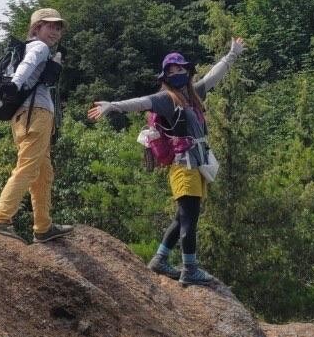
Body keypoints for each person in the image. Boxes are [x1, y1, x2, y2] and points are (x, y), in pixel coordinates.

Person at [87, 38, 246, 287]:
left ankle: (160, 259)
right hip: (184, 166)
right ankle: (190, 268)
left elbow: (214, 76)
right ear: (166, 77)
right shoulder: (166, 99)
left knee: (181, 217)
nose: (177, 74)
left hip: (198, 163)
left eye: (180, 69)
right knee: (189, 217)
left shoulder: (193, 95)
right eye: (171, 72)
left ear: (187, 72)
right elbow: (141, 102)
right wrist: (113, 106)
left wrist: (232, 55)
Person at [0, 8, 73, 244]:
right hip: (37, 115)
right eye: (50, 26)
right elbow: (28, 64)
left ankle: (43, 226)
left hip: (25, 116)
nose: (55, 31)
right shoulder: (39, 47)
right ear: (36, 28)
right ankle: (0, 219)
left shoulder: (31, 47)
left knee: (43, 173)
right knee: (28, 168)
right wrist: (15, 83)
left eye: (58, 27)